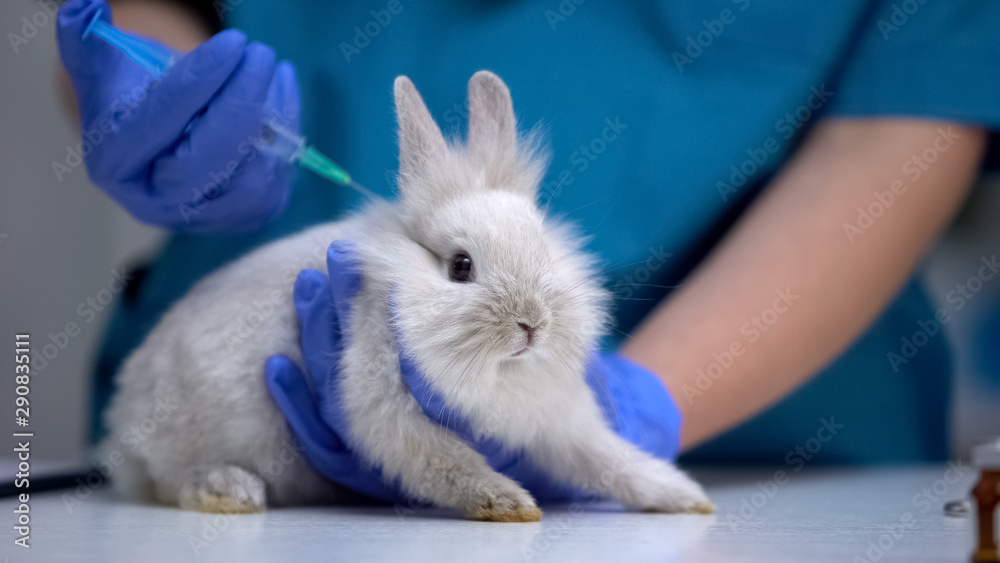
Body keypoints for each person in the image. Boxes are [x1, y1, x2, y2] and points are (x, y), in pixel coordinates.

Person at [57, 0, 999, 501]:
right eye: (462, 269)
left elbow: (910, 114)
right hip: (252, 429)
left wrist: (618, 414)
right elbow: (137, 8)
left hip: (787, 456)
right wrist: (169, 100)